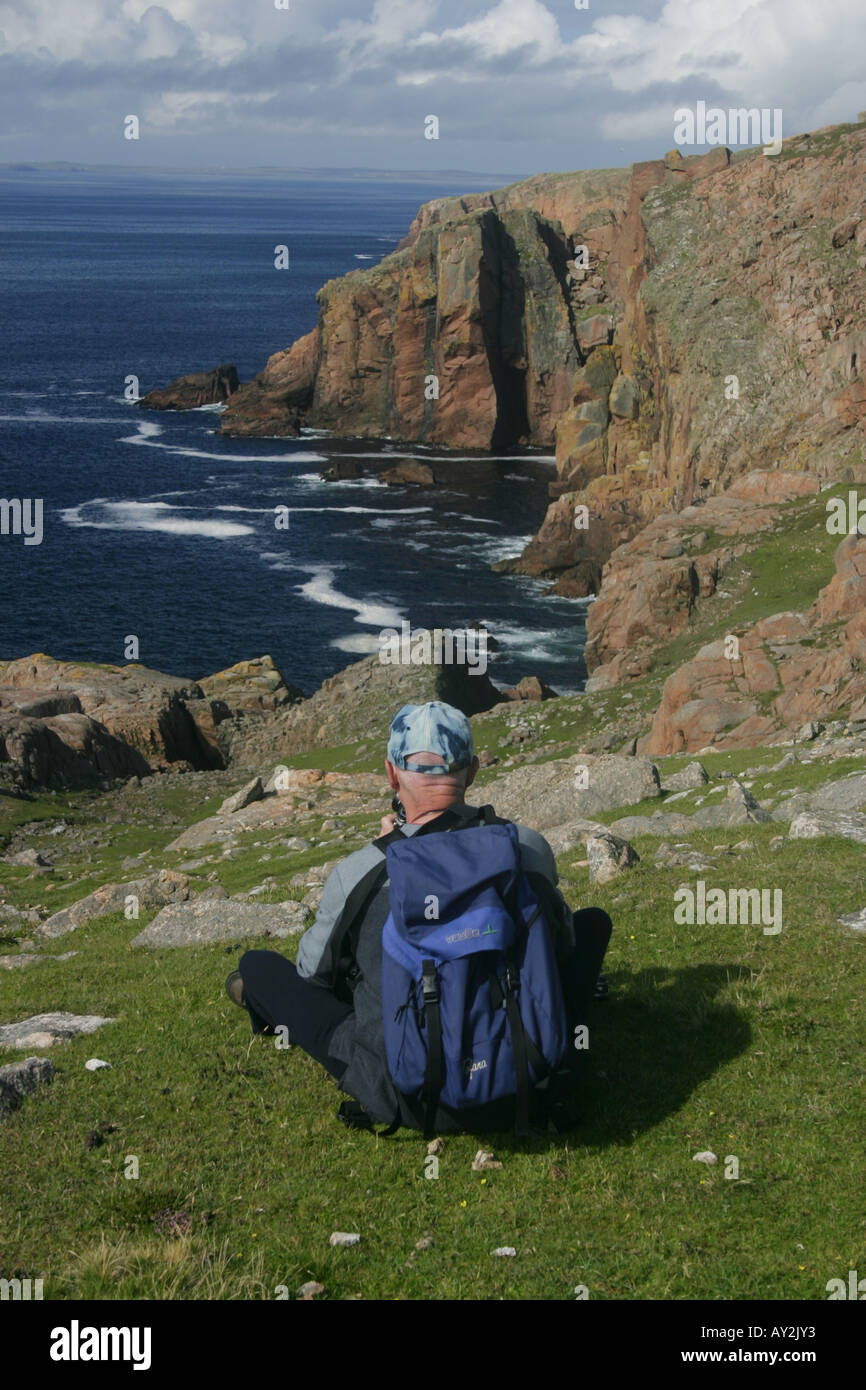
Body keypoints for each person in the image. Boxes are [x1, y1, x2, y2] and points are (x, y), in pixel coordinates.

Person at [227, 700, 611, 1132]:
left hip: (405, 1095)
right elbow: (559, 945)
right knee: (593, 922)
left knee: (257, 965)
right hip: (531, 1079)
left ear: (391, 773)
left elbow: (313, 974)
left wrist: (390, 858)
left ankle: (255, 1001)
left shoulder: (364, 869)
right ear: (473, 770)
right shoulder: (527, 848)